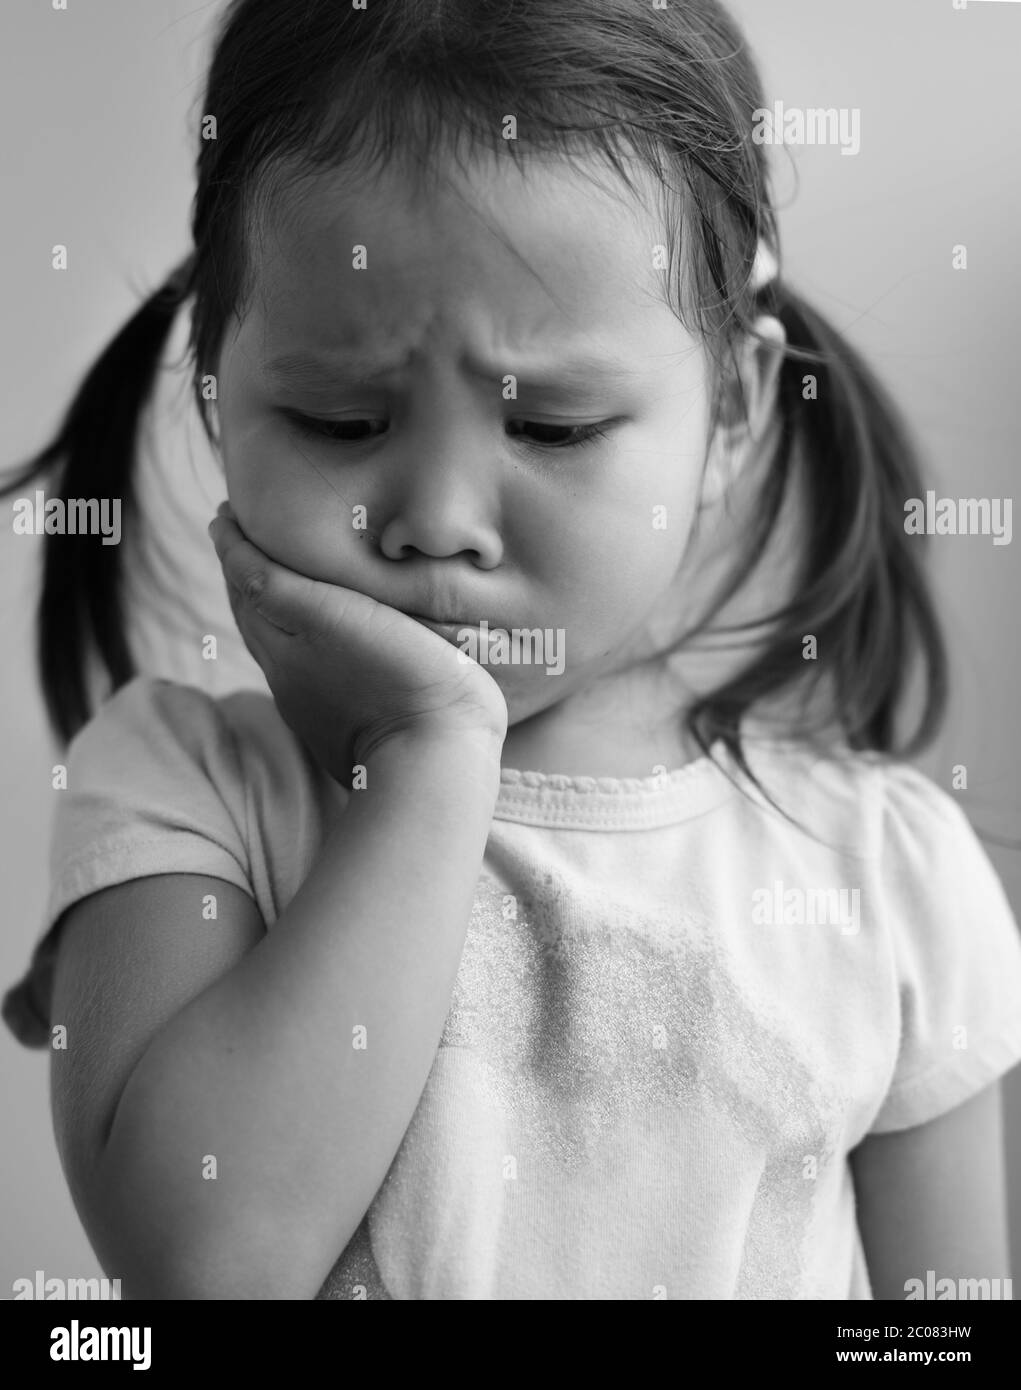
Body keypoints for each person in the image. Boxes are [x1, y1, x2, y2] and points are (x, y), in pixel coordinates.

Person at [4, 0, 1021, 1301]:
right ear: (216, 389)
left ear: (733, 413)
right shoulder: (176, 791)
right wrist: (430, 759)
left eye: (547, 425)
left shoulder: (882, 881)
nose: (433, 518)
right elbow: (207, 1265)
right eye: (337, 417)